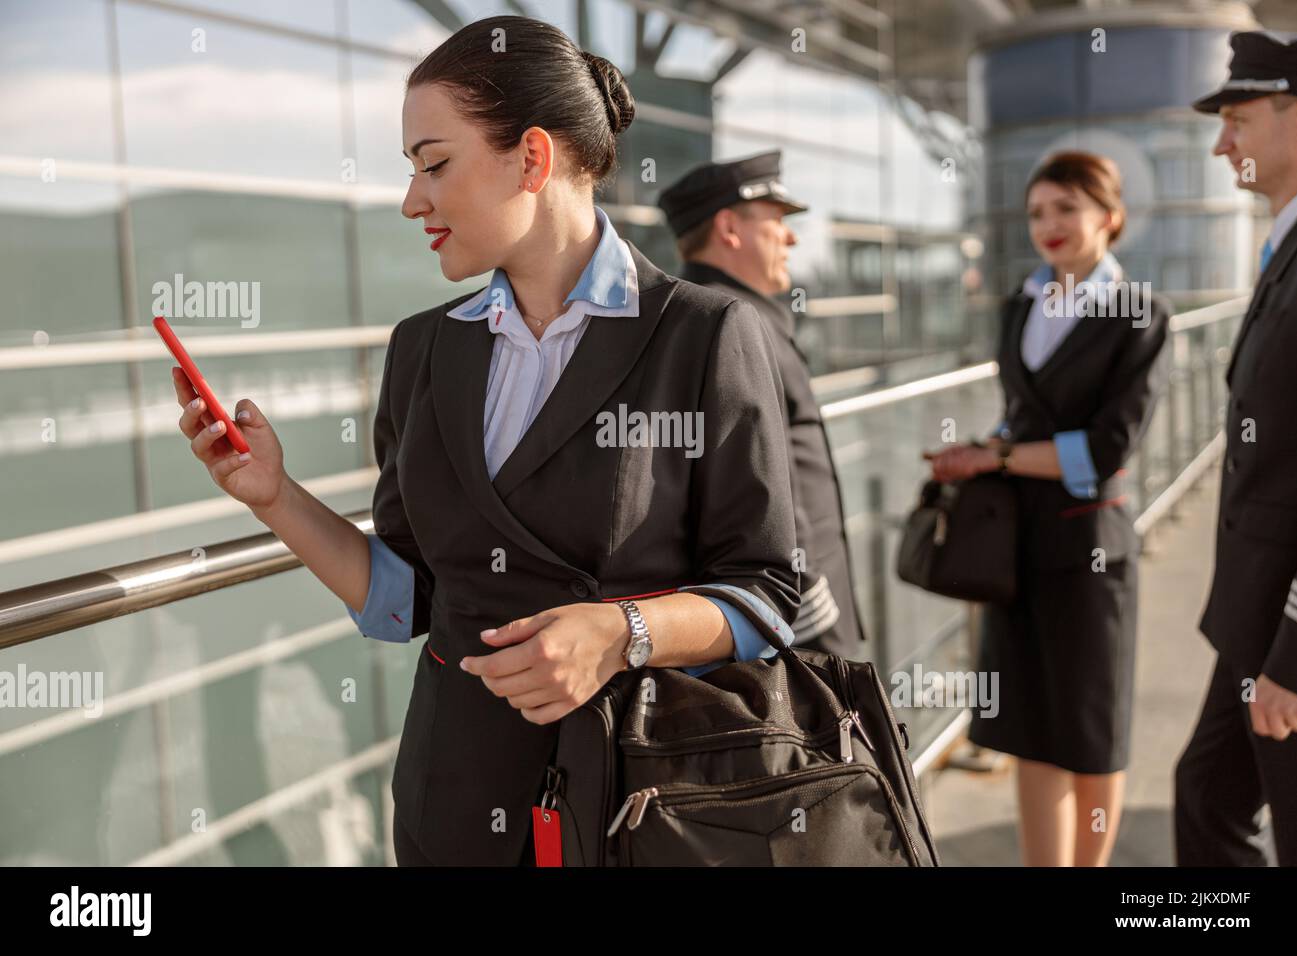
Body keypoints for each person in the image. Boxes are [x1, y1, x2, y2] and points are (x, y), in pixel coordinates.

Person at [166, 15, 800, 866]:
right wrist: (276, 498)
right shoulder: (423, 350)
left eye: (434, 164)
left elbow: (765, 596)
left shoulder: (706, 333)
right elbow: (406, 600)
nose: (411, 199)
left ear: (532, 158)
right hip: (455, 795)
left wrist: (623, 632)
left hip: (643, 802)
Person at [924, 151, 1170, 866]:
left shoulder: (1140, 315)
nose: (1049, 225)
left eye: (1067, 208)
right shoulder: (1021, 304)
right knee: (1031, 733)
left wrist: (996, 458)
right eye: (1037, 212)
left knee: (1091, 739)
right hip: (1016, 551)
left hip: (1090, 551)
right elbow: (1023, 420)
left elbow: (1105, 452)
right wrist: (981, 448)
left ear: (1110, 217)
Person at [655, 151, 868, 660]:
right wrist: (810, 610)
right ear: (730, 228)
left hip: (780, 607)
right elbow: (767, 473)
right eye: (776, 222)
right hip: (794, 616)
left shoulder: (709, 312)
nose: (791, 237)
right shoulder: (732, 319)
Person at [1176, 29, 1297, 867]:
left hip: (1286, 632)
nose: (1223, 143)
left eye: (1241, 121)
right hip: (1256, 619)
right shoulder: (1284, 247)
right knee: (1206, 798)